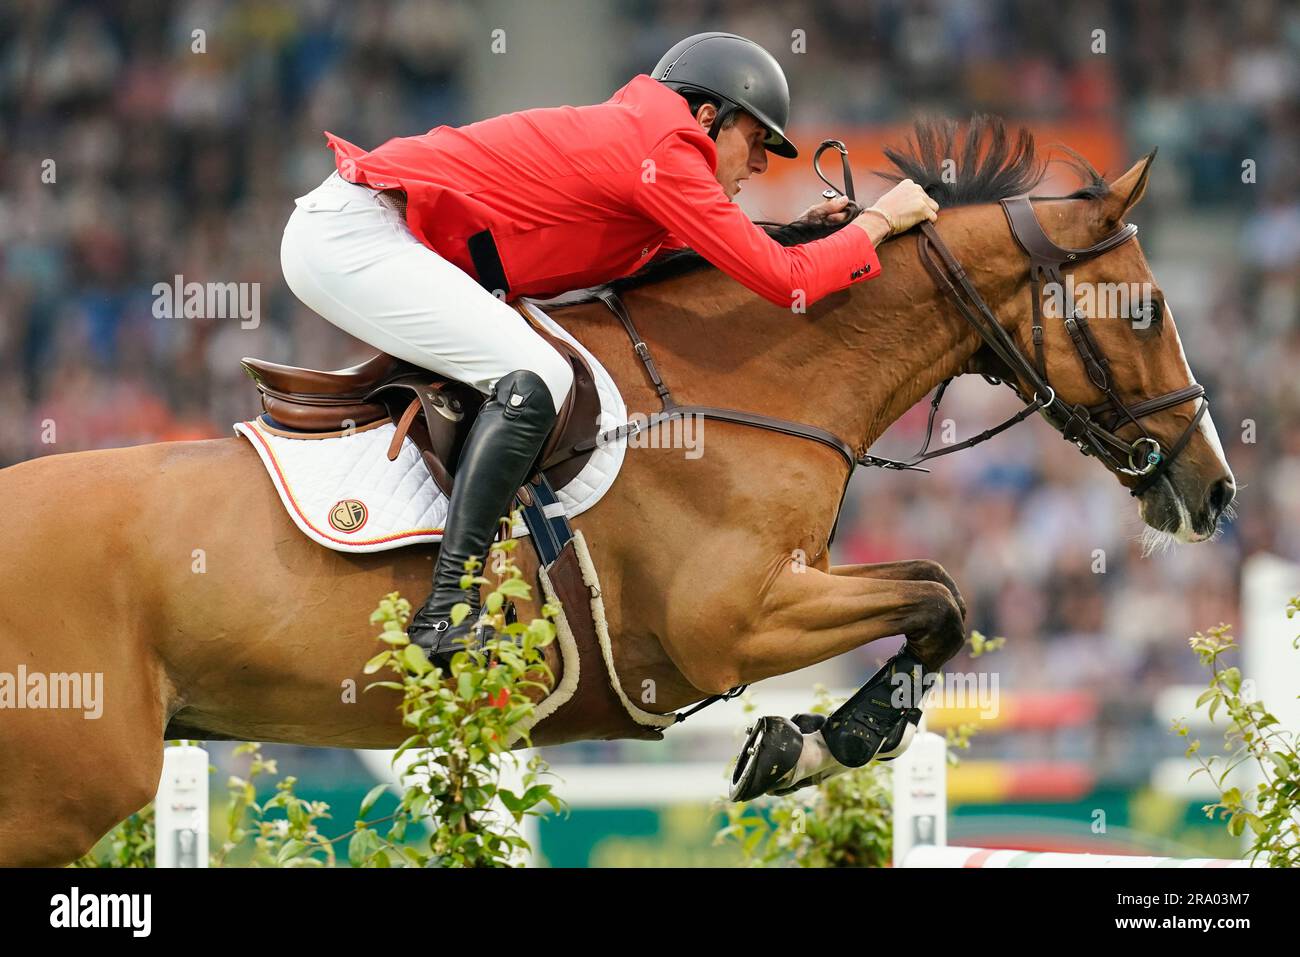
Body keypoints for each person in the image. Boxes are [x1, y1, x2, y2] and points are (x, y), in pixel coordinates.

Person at [279, 32, 938, 671]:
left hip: (374, 234)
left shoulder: (653, 141)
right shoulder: (663, 143)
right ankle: (446, 606)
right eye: (757, 140)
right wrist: (881, 220)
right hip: (358, 235)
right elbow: (787, 284)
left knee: (532, 368)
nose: (762, 164)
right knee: (536, 375)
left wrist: (795, 231)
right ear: (707, 116)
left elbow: (683, 256)